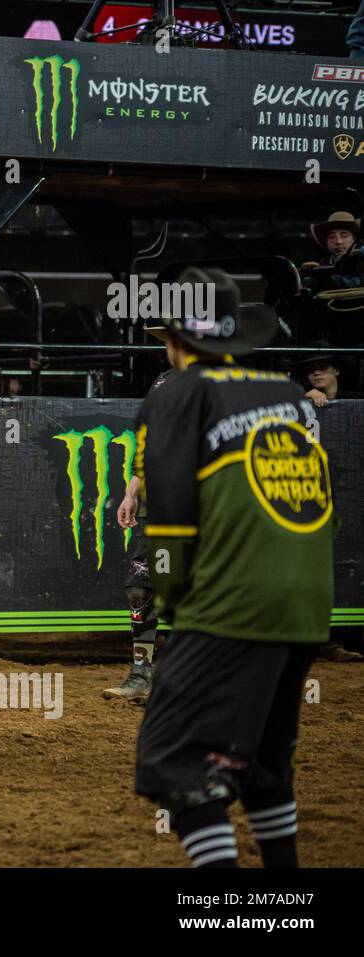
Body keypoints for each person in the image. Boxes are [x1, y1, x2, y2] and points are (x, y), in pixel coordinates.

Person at [134, 267, 334, 868]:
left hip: (230, 603)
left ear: (175, 340)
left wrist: (170, 605)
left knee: (171, 762)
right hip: (307, 603)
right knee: (265, 763)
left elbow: (167, 525)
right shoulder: (288, 396)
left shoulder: (177, 394)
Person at [106, 325, 175, 704]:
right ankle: (141, 673)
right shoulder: (163, 382)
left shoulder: (219, 382)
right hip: (155, 504)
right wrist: (132, 492)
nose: (169, 347)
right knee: (140, 587)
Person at [299, 211, 362, 294]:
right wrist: (302, 272)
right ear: (326, 242)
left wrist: (358, 252)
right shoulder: (324, 263)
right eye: (332, 237)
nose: (338, 241)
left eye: (344, 236)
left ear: (354, 239)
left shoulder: (360, 260)